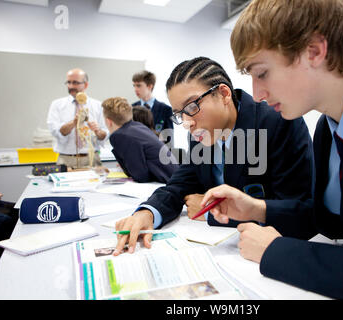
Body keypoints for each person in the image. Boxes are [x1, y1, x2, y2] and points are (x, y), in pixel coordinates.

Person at [200, 0, 343, 299]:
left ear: (314, 50)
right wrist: (257, 208)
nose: (257, 95)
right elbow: (334, 220)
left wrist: (277, 253)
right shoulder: (329, 124)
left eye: (261, 73)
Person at [113, 56, 314, 256]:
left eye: (192, 107)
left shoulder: (278, 122)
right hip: (217, 247)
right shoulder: (200, 134)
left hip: (268, 251)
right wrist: (147, 212)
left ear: (224, 94)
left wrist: (213, 213)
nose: (186, 123)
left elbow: (300, 211)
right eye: (179, 114)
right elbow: (178, 185)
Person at [102, 97, 178, 183]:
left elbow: (140, 176)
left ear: (108, 121)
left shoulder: (120, 135)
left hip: (165, 184)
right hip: (172, 178)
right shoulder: (137, 126)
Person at [47, 68, 108, 169]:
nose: (71, 86)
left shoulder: (98, 106)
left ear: (86, 85)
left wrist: (97, 131)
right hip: (66, 159)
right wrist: (73, 123)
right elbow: (55, 131)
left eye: (75, 83)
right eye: (68, 82)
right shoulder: (57, 105)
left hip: (92, 158)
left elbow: (105, 134)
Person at [131, 70, 174, 145]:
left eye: (138, 85)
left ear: (150, 86)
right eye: (134, 86)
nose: (135, 89)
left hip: (158, 153)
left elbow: (169, 139)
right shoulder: (131, 108)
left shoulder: (165, 109)